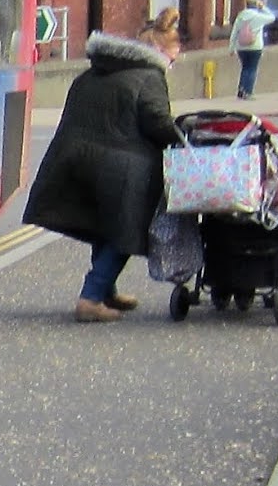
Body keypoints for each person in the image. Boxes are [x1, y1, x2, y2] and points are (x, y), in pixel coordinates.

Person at [23, 26, 178, 322]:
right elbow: (157, 123)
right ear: (158, 51)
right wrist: (181, 135)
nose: (174, 60)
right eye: (173, 54)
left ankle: (106, 290)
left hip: (75, 160)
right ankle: (91, 297)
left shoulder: (89, 74)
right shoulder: (150, 76)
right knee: (125, 232)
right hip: (121, 166)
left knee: (101, 225)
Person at [228, 0, 277, 99]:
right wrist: (263, 7)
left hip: (241, 47)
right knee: (252, 69)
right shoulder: (258, 17)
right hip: (255, 47)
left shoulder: (240, 16)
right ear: (256, 5)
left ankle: (241, 90)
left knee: (245, 68)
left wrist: (231, 47)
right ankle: (248, 92)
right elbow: (272, 17)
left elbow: (234, 32)